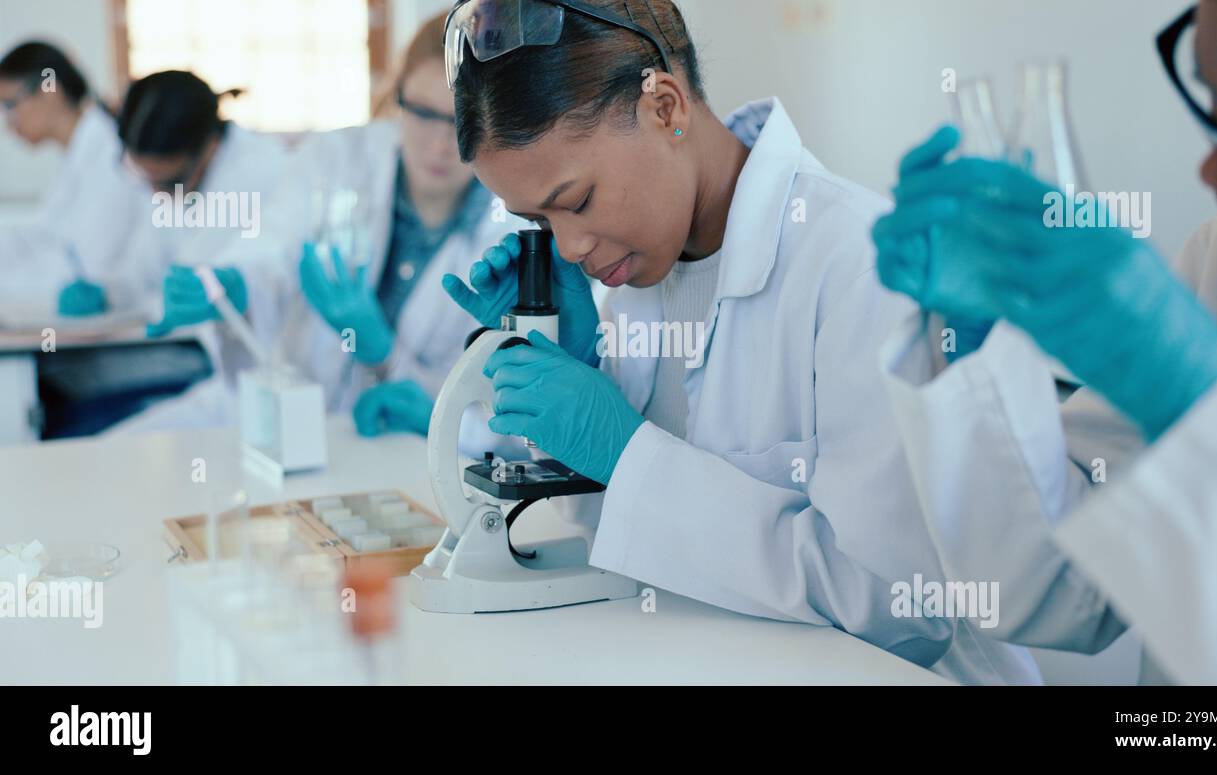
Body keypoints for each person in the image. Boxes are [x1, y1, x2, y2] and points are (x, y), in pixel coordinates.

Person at [441, 0, 1040, 685]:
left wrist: (628, 452)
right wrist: (583, 371)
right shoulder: (635, 275)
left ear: (665, 107)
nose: (569, 246)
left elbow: (896, 608)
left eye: (576, 201)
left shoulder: (857, 261)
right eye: (537, 218)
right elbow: (636, 550)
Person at [871, 0, 1217, 683]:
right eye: (1214, 109)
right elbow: (1060, 586)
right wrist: (973, 346)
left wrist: (1202, 403)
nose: (1213, 173)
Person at [111, 16, 523, 438]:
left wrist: (387, 357)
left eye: (461, 119)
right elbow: (275, 247)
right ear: (397, 97)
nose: (440, 143)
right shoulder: (338, 157)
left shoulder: (513, 230)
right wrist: (236, 285)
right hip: (280, 412)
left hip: (405, 449)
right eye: (422, 113)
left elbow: (500, 421)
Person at [0, 41, 143, 315]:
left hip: (120, 322)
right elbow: (40, 237)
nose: (8, 122)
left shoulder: (111, 156)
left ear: (49, 91)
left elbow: (89, 270)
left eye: (10, 104)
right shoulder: (76, 154)